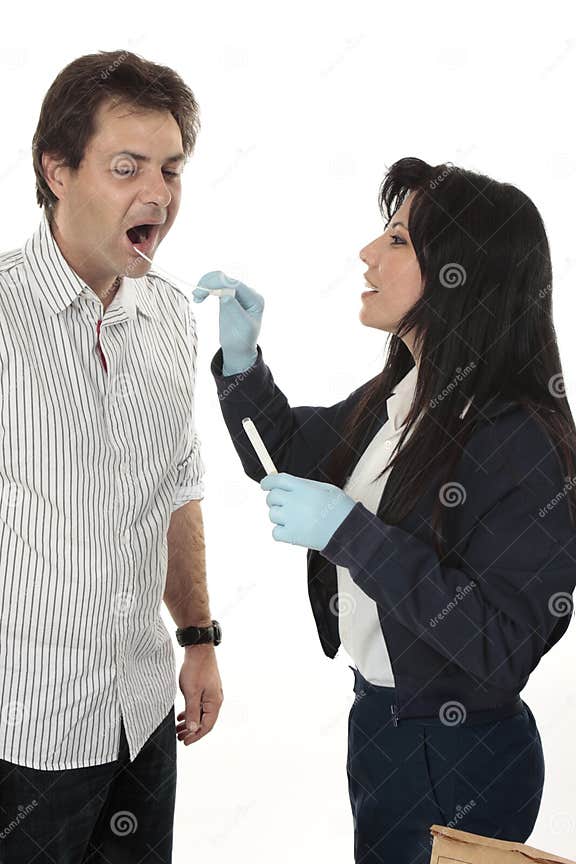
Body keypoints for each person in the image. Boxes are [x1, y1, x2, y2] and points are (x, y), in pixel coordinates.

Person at [194, 157, 576, 863]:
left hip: (458, 756)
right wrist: (242, 364)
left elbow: (501, 645)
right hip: (381, 725)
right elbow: (285, 453)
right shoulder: (402, 397)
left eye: (398, 239)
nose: (368, 253)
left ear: (462, 273)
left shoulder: (517, 439)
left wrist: (351, 534)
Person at [0, 50, 223, 863]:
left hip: (142, 713)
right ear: (56, 170)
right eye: (127, 168)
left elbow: (178, 487)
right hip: (25, 729)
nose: (157, 194)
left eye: (171, 169)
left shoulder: (171, 316)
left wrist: (198, 636)